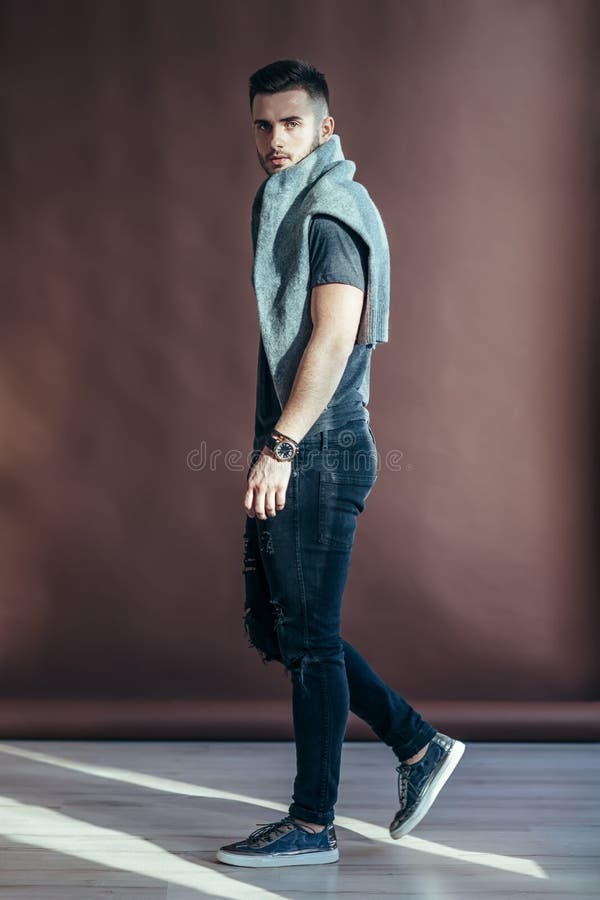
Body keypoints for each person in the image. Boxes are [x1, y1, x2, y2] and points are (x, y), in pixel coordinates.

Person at [217, 59, 464, 869]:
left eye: (291, 123)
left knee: (312, 641)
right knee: (277, 626)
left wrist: (280, 447)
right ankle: (418, 744)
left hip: (316, 448)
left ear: (326, 127)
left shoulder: (328, 211)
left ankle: (313, 822)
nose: (274, 140)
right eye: (262, 124)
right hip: (298, 443)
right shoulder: (284, 203)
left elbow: (332, 334)